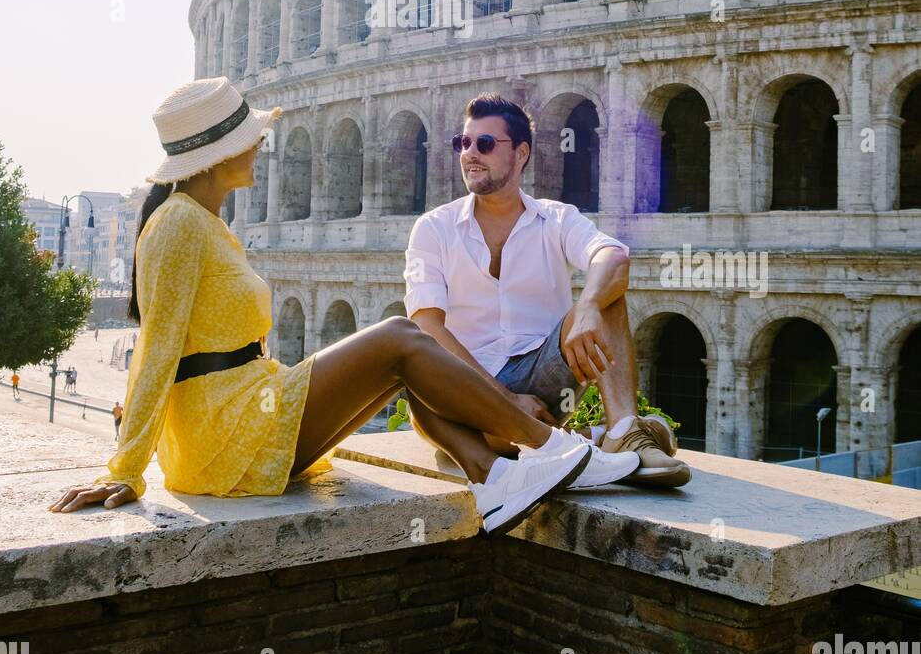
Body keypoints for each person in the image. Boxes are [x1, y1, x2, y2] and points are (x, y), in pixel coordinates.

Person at [48, 78, 636, 536]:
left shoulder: (199, 222)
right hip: (226, 434)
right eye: (247, 138)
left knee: (407, 364)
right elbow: (158, 344)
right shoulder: (178, 225)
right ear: (216, 155)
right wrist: (125, 468)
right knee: (402, 336)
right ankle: (551, 449)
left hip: (245, 414)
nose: (259, 145)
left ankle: (496, 478)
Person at [403, 93, 691, 489]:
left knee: (606, 292)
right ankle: (597, 441)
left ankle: (625, 429)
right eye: (463, 143)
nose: (470, 153)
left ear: (521, 153)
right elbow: (427, 328)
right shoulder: (433, 228)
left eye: (485, 144)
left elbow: (613, 256)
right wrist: (504, 400)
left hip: (546, 374)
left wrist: (589, 304)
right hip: (469, 385)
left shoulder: (555, 218)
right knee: (451, 426)